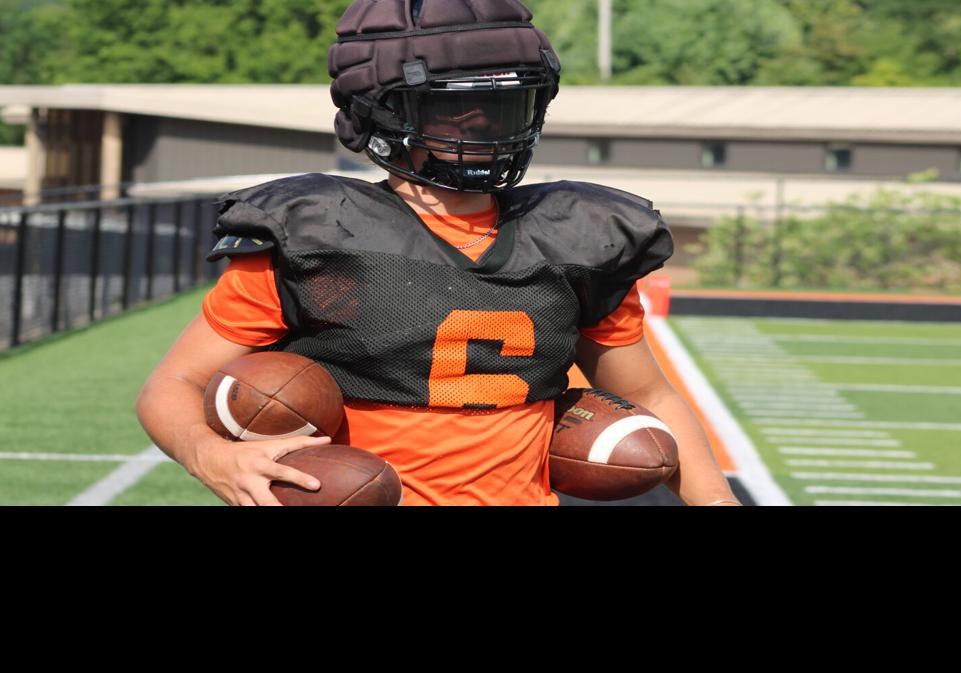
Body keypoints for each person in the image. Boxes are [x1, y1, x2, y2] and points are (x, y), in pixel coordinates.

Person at [135, 0, 742, 507]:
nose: (482, 126)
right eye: (453, 106)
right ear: (383, 110)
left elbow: (651, 396)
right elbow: (173, 384)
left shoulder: (578, 239)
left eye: (504, 105)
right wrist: (209, 455)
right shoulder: (318, 236)